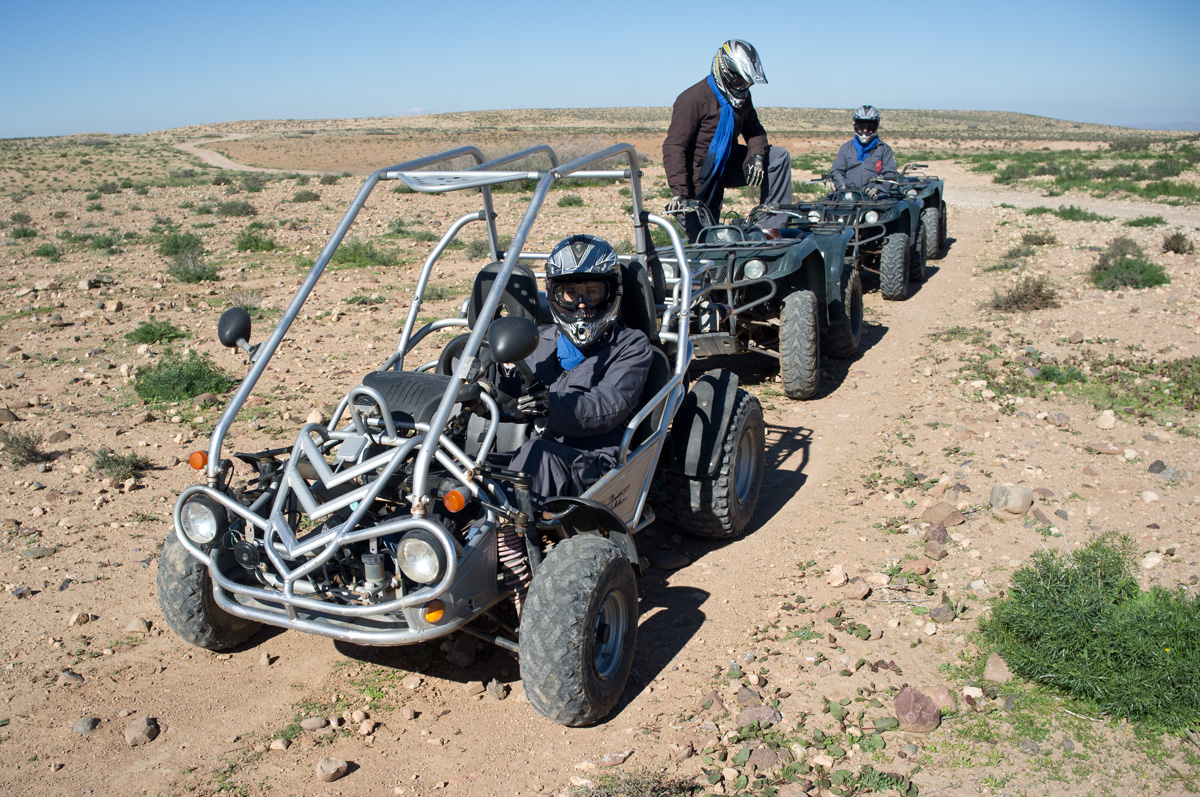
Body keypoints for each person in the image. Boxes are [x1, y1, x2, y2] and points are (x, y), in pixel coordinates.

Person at [498, 235, 652, 508]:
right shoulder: (538, 341)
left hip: (594, 464)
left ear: (611, 293)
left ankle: (508, 538)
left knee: (538, 455)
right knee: (461, 468)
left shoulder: (631, 345)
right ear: (555, 296)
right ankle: (410, 538)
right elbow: (512, 392)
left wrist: (551, 406)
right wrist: (489, 379)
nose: (581, 303)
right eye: (570, 293)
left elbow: (609, 404)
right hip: (531, 456)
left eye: (592, 292)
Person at [662, 40, 793, 241]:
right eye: (741, 81)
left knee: (777, 157)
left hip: (726, 166)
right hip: (698, 181)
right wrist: (680, 192)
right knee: (706, 244)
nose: (744, 87)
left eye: (748, 83)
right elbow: (674, 146)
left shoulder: (743, 99)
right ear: (725, 72)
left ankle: (770, 225)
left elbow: (755, 131)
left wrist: (756, 156)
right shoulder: (692, 100)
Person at [830, 105, 899, 196]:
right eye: (861, 126)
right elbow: (836, 171)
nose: (865, 130)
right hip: (848, 195)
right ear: (855, 125)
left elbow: (890, 173)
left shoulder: (884, 149)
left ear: (876, 126)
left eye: (869, 126)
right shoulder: (846, 148)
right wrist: (843, 186)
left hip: (877, 196)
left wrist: (878, 189)